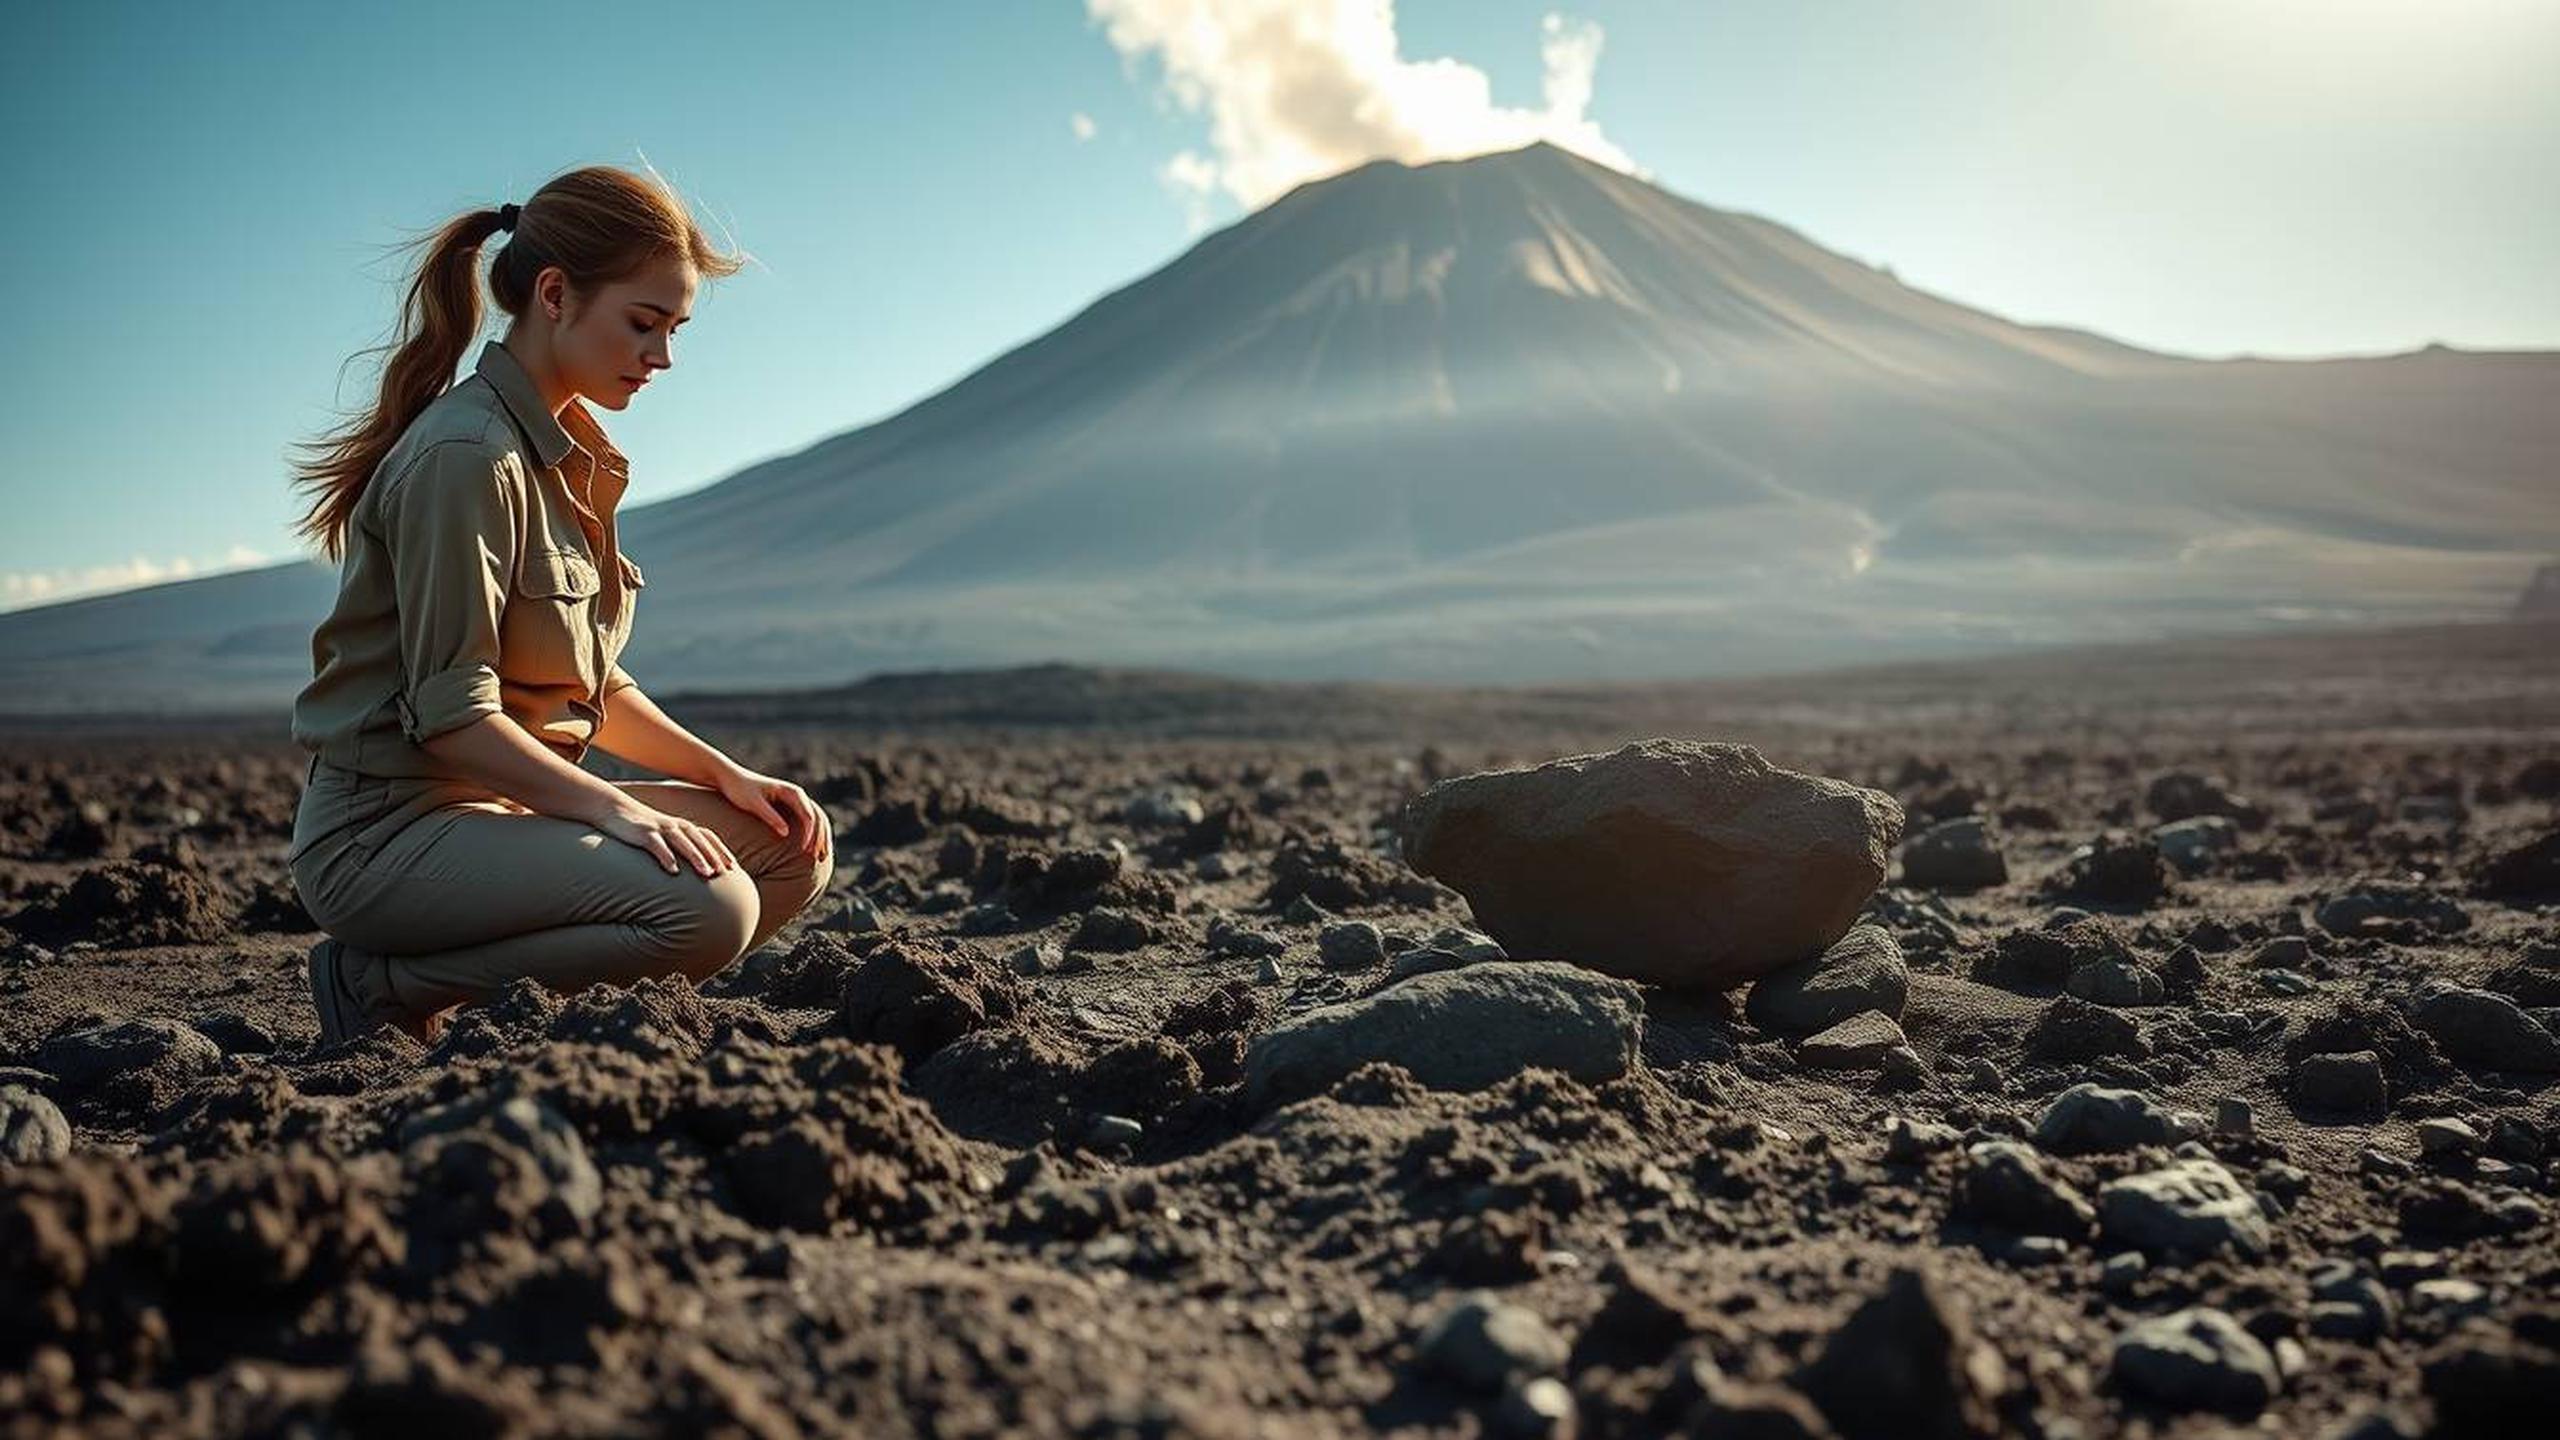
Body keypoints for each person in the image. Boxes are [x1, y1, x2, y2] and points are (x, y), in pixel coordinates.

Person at [285, 164, 832, 1046]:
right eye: (644, 324)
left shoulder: (567, 454)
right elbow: (455, 720)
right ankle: (385, 986)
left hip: (498, 817)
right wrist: (616, 808)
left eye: (675, 329)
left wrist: (721, 775)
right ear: (554, 294)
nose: (662, 357)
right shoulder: (469, 458)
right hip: (386, 838)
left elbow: (594, 683)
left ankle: (512, 1003)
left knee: (788, 843)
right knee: (711, 910)